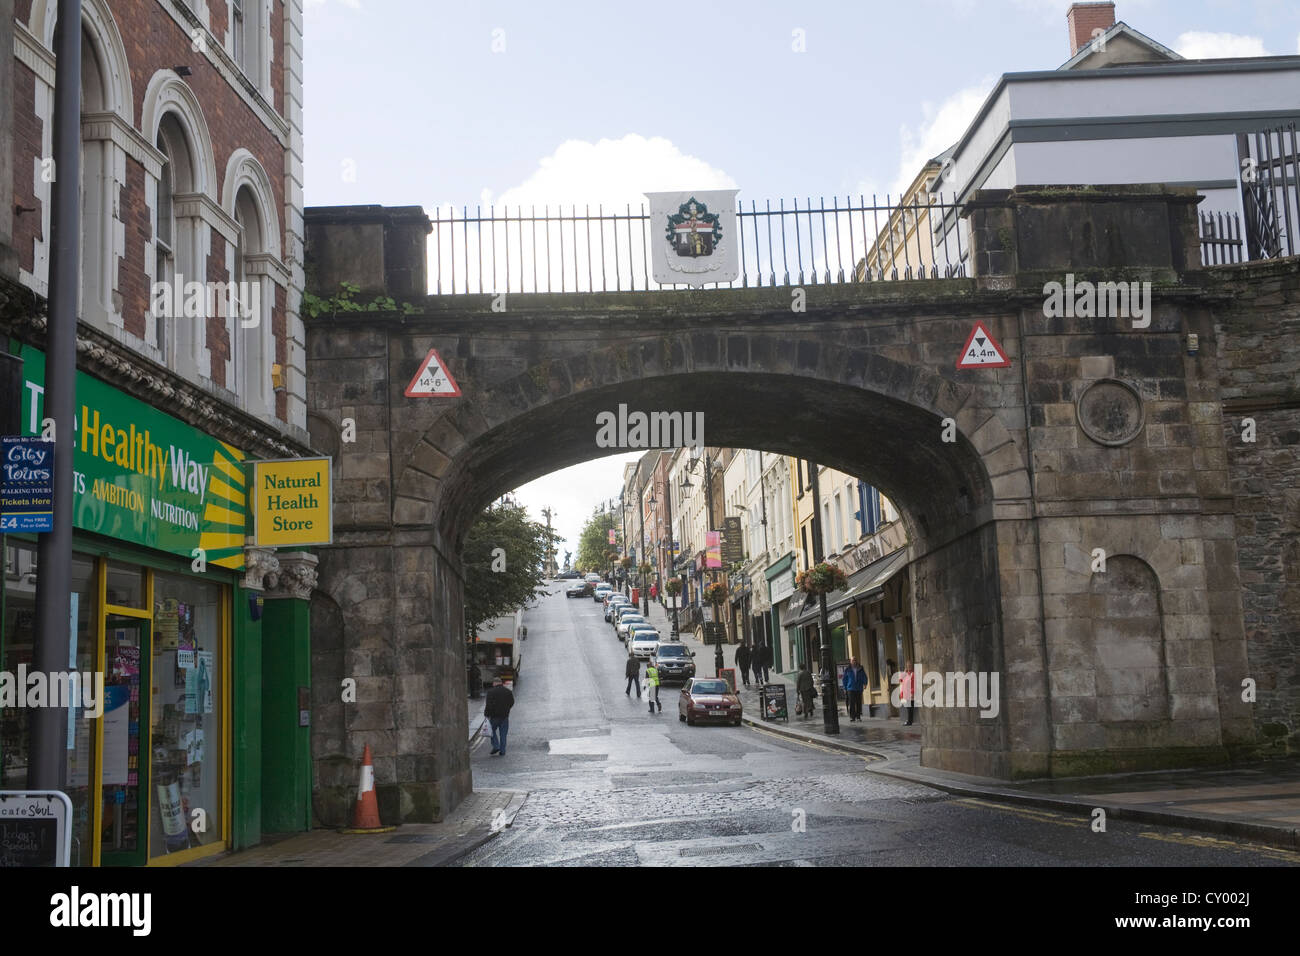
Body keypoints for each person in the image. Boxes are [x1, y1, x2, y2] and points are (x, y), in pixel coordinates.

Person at [484, 678, 515, 756]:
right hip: (505, 717)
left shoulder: (491, 692)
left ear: (495, 683)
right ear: (501, 683)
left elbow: (488, 705)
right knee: (503, 734)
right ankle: (503, 751)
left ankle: (496, 746)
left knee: (491, 731)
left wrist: (486, 714)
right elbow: (512, 702)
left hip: (494, 717)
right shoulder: (508, 691)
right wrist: (507, 709)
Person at [900, 660, 916, 726]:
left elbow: (914, 684)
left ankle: (910, 721)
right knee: (908, 707)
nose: (909, 666)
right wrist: (904, 671)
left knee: (910, 708)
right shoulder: (906, 674)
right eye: (907, 665)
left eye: (910, 665)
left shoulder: (913, 674)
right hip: (906, 693)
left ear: (912, 666)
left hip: (910, 693)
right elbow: (900, 680)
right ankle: (909, 720)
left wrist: (912, 693)